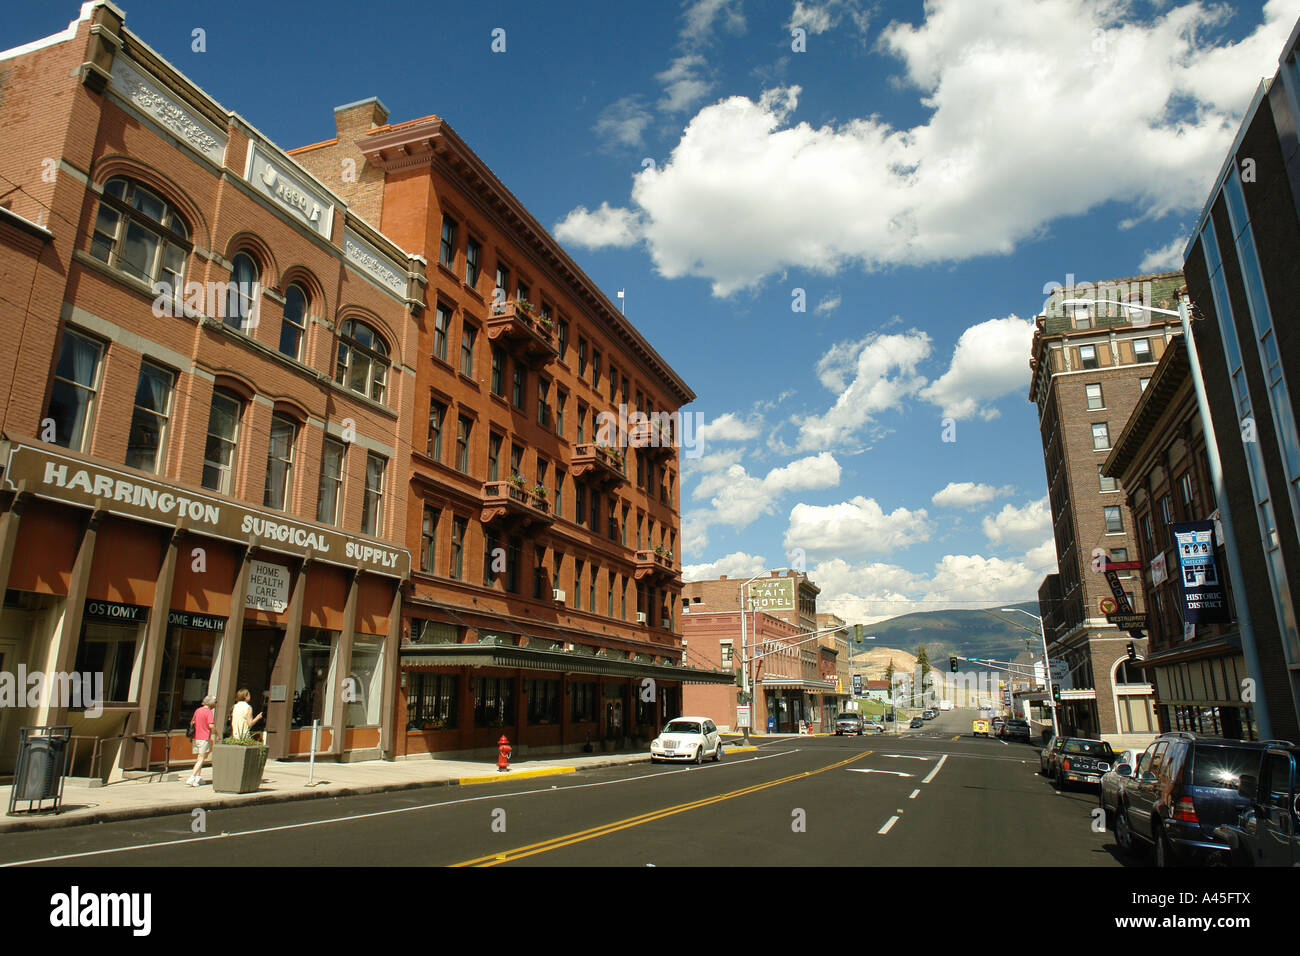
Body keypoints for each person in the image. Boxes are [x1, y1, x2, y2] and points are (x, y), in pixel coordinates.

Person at [188, 695, 216, 787]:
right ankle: (192, 776)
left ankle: (197, 778)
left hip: (196, 737)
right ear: (211, 703)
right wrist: (217, 734)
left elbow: (192, 722)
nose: (216, 704)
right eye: (215, 702)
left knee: (199, 758)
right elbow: (211, 725)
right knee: (201, 759)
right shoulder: (208, 712)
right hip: (204, 737)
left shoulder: (198, 710)